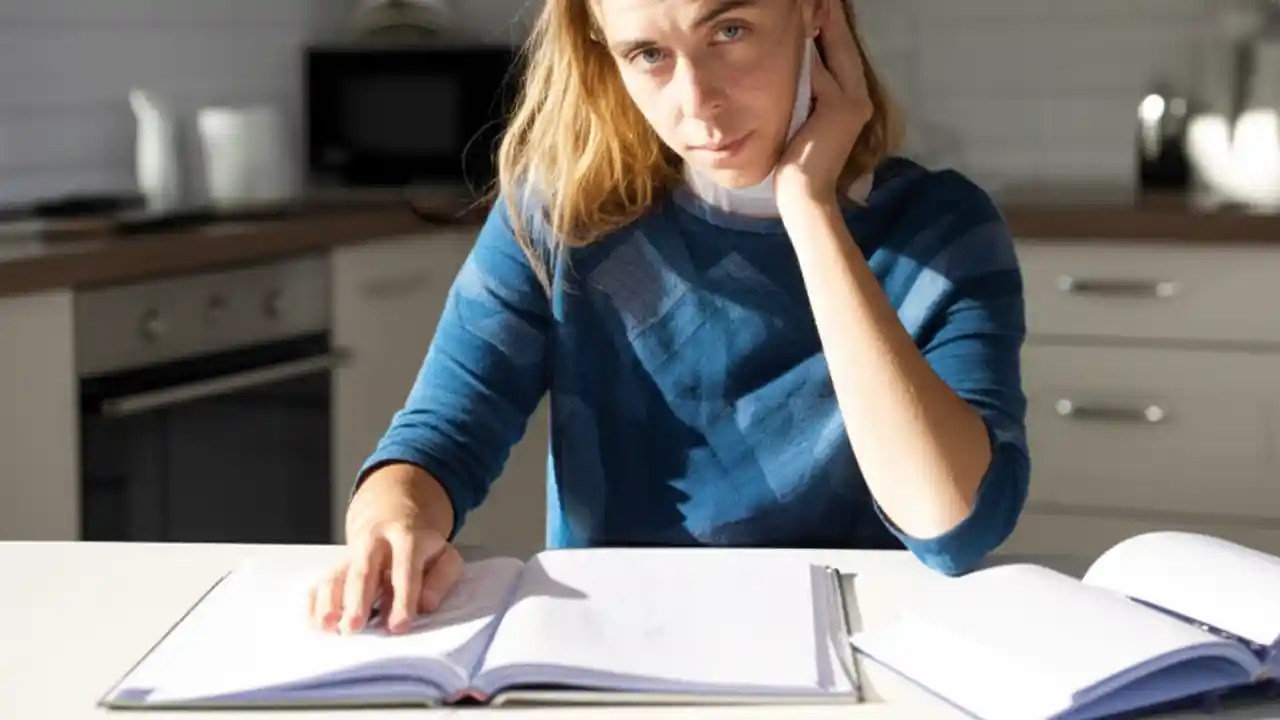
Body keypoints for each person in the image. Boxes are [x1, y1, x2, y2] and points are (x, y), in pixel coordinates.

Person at [308, 0, 1030, 636]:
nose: (697, 104)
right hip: (616, 659)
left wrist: (809, 210)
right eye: (648, 54)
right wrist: (390, 519)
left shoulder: (940, 232)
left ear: (817, 12)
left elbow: (954, 527)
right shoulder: (561, 219)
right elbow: (440, 440)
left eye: (731, 30)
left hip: (859, 666)